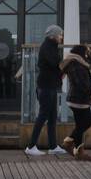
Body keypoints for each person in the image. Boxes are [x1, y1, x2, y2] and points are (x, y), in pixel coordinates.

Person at [25, 25, 68, 157]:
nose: (62, 37)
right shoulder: (47, 47)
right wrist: (65, 64)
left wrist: (61, 70)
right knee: (43, 116)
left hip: (51, 86)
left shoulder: (52, 47)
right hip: (46, 87)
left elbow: (56, 66)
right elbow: (55, 63)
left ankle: (53, 146)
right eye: (60, 35)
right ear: (52, 36)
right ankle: (31, 146)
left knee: (52, 116)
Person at [59, 44, 91, 160]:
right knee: (86, 123)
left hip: (76, 99)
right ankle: (68, 142)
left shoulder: (77, 62)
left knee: (80, 125)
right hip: (79, 99)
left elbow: (87, 64)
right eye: (86, 52)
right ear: (81, 53)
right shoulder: (77, 65)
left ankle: (78, 151)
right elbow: (82, 84)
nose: (87, 54)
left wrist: (88, 54)